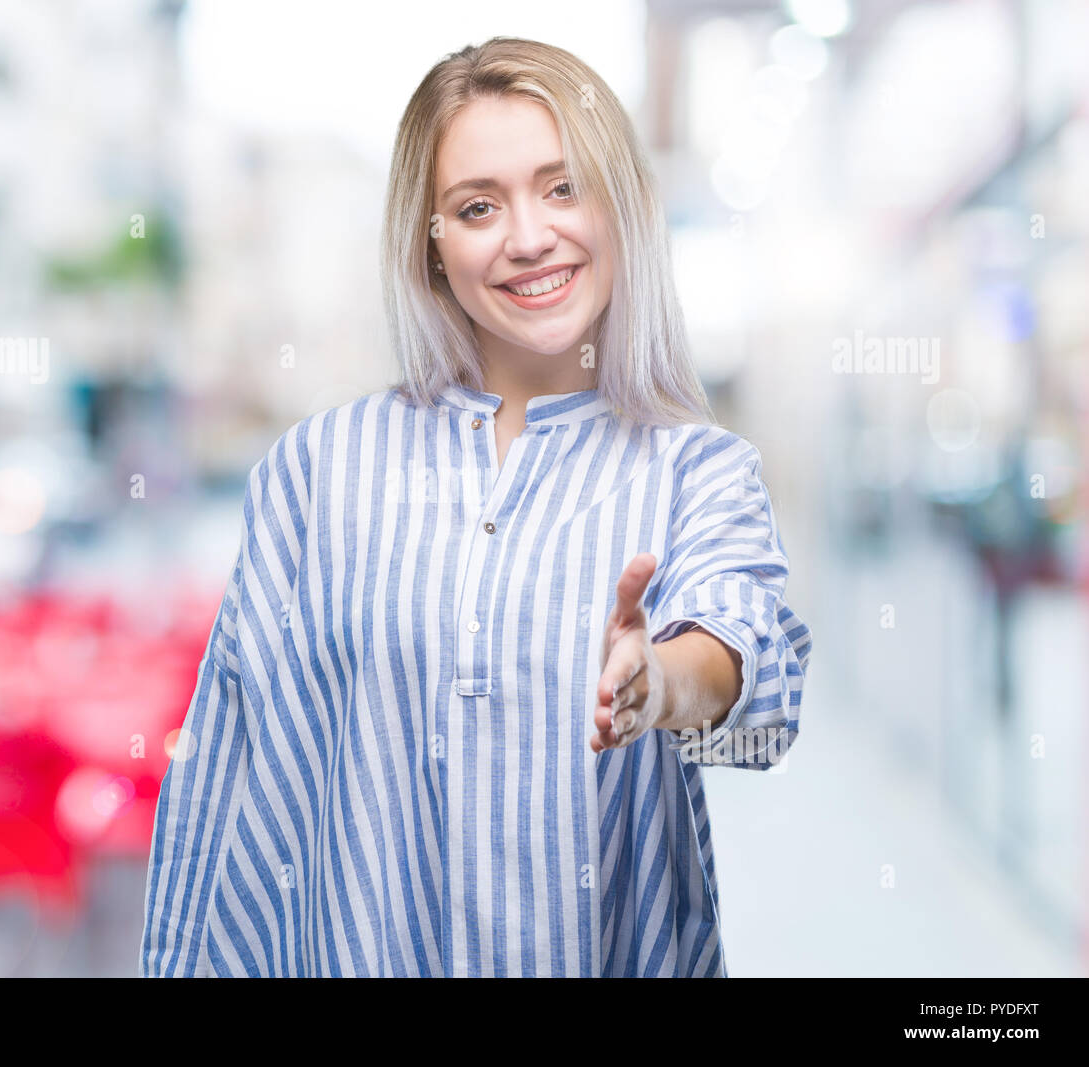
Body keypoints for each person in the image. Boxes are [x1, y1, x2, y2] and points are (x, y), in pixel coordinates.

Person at [140, 36, 812, 977]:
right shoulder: (316, 469)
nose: (528, 236)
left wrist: (659, 680)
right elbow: (226, 760)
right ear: (432, 239)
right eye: (478, 206)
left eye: (563, 186)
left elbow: (749, 662)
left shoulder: (698, 471)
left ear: (620, 204)